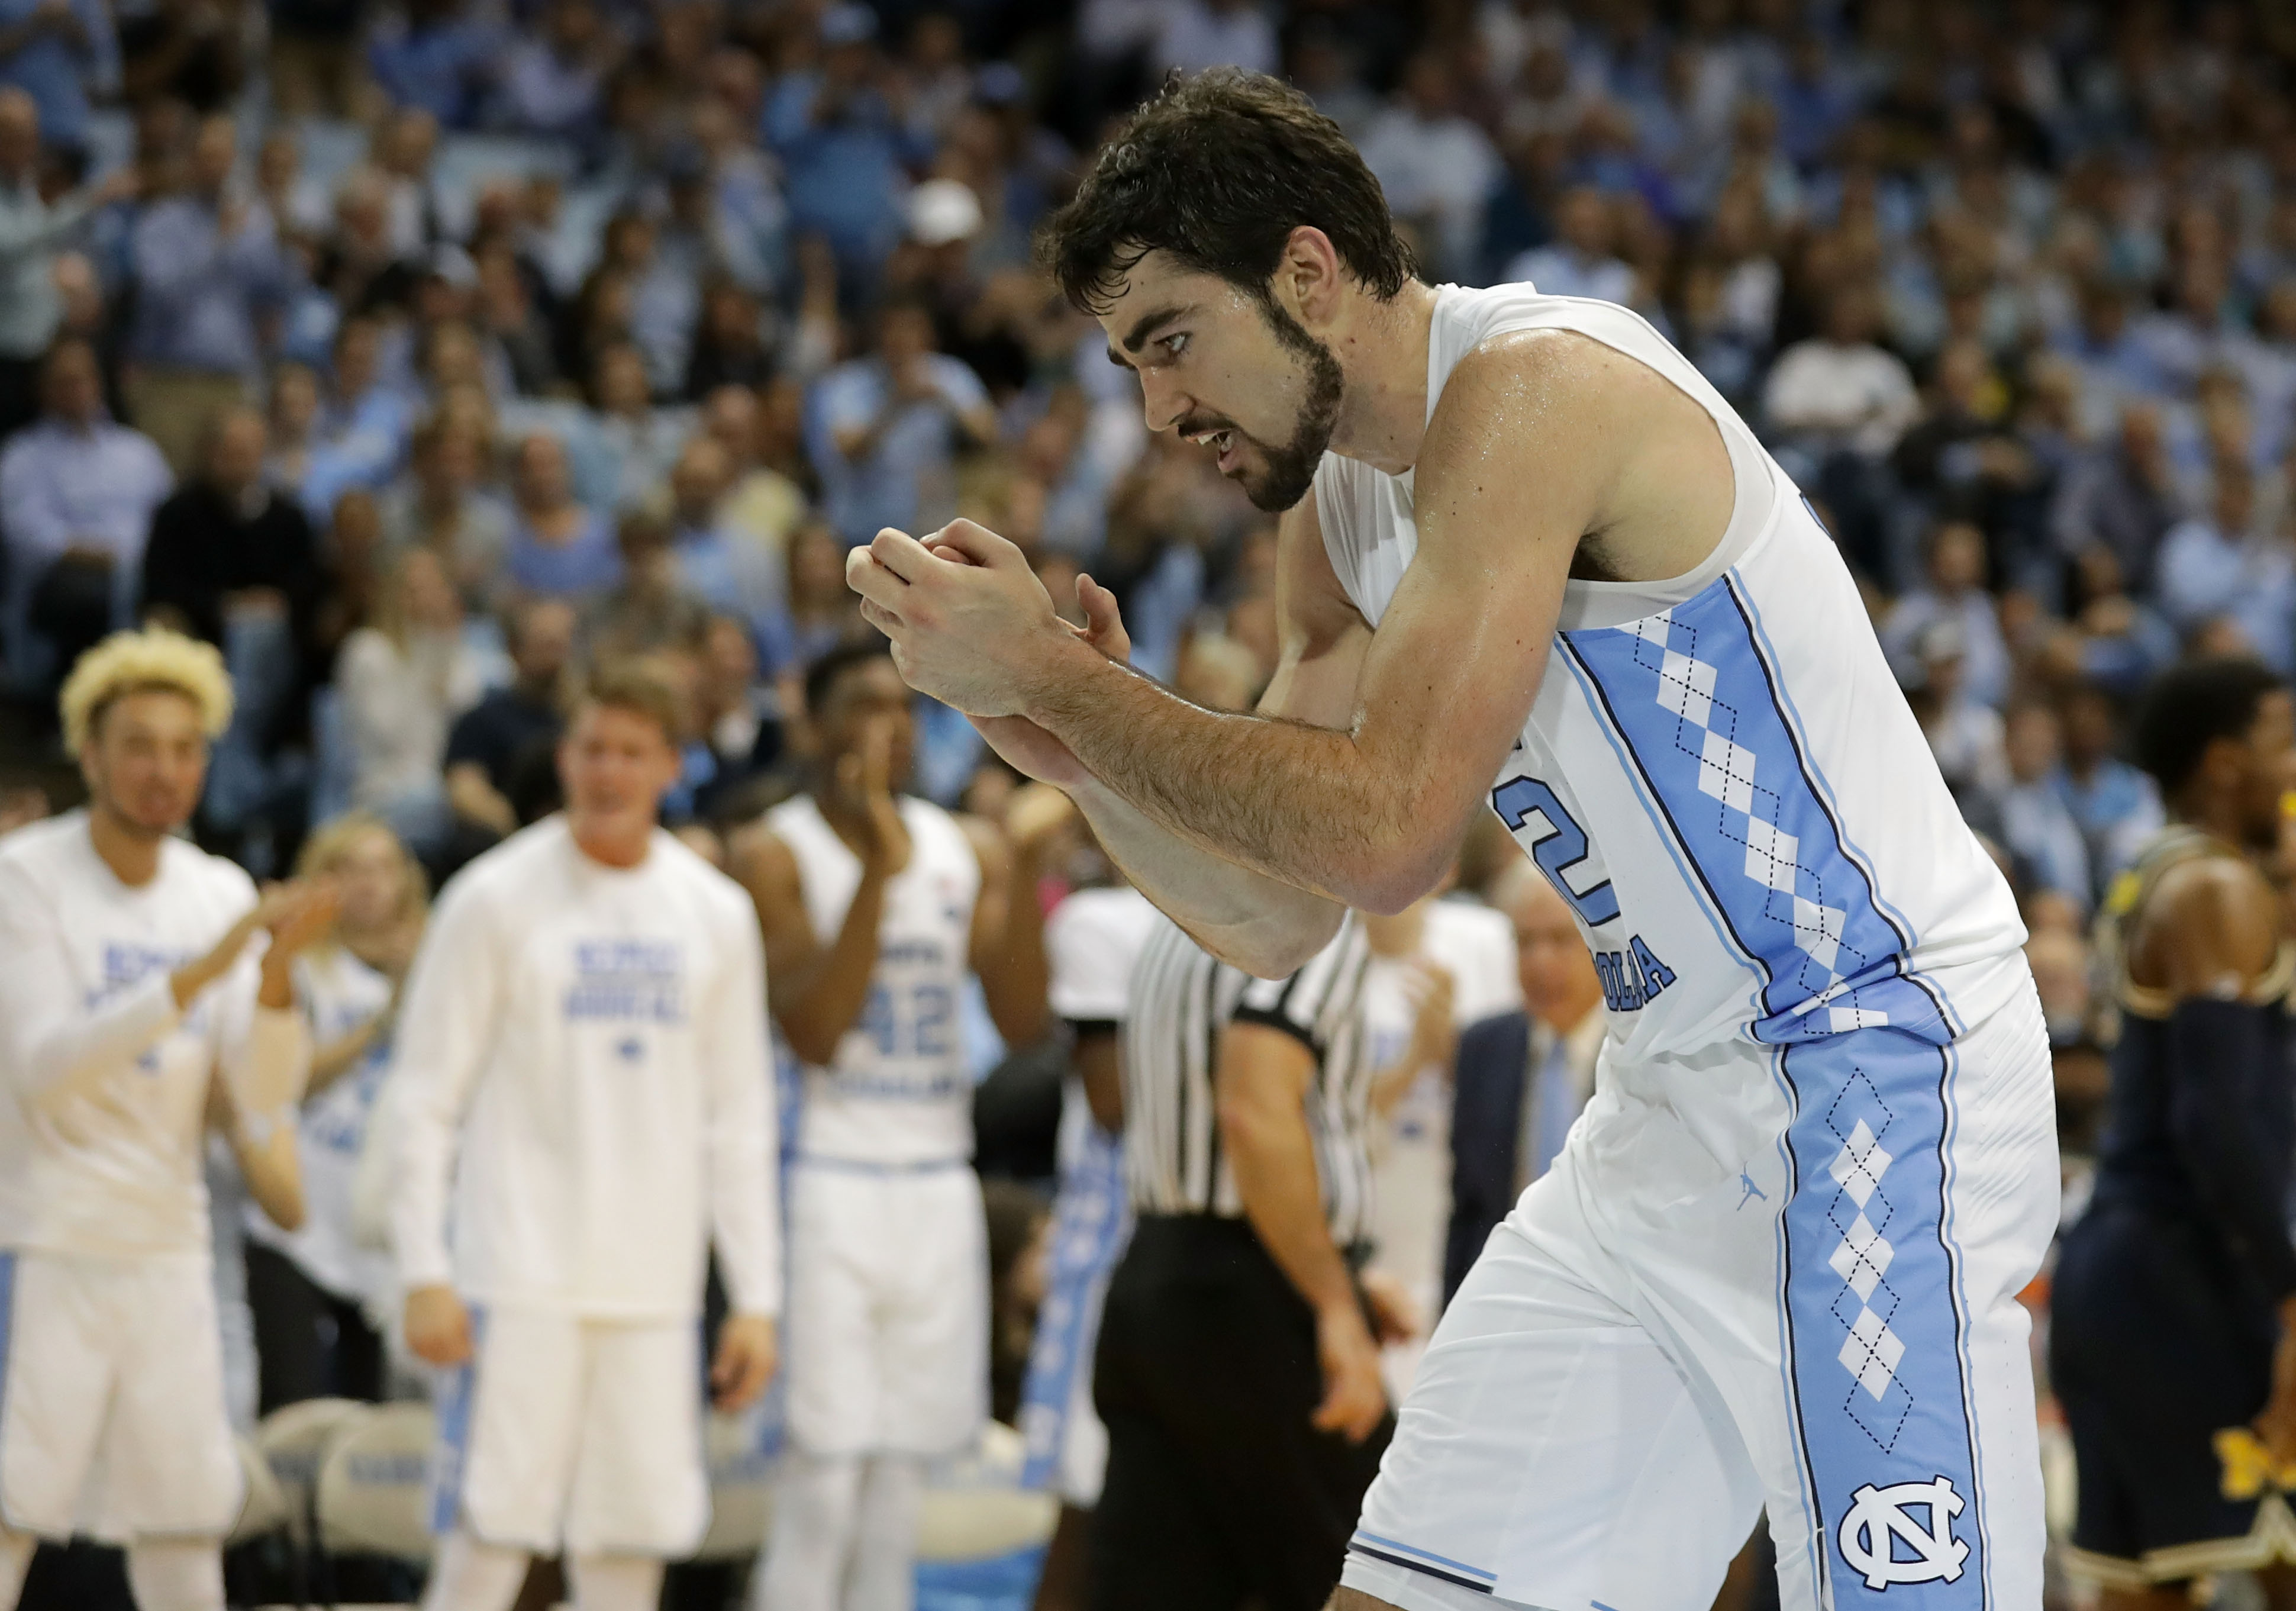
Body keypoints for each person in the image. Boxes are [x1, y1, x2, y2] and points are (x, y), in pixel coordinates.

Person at [850, 70, 2053, 1611]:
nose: (1159, 412)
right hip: (1673, 1103)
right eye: (1131, 369)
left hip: (1876, 1071)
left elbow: (1395, 834)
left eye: (1171, 342)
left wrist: (1069, 680)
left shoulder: (1540, 391)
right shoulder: (1334, 512)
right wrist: (1070, 749)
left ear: (1306, 273)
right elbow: (1281, 916)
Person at [388, 662, 782, 1611]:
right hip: (514, 1276)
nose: (609, 771)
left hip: (654, 1284)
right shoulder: (491, 897)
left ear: (670, 767)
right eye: (593, 749)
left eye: (632, 753)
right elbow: (421, 1094)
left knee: (629, 1543)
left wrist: (757, 1297)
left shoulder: (716, 912)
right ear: (565, 757)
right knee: (489, 1537)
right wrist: (420, 1267)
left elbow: (740, 1117)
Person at [0, 627, 333, 1611]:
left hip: (172, 1247)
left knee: (184, 1522)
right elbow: (42, 1068)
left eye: (187, 749)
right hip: (45, 1240)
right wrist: (196, 973)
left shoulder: (217, 889)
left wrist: (271, 978)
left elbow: (262, 1089)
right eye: (141, 744)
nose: (165, 769)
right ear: (91, 753)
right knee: (11, 1510)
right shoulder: (24, 877)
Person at [728, 640, 1056, 1611]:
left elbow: (1024, 1021)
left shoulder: (970, 848)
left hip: (939, 1178)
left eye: (904, 711)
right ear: (815, 729)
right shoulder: (777, 850)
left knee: (901, 1483)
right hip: (826, 1174)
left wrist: (1030, 868)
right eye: (865, 708)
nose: (889, 728)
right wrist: (877, 868)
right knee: (822, 1481)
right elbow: (819, 1033)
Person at [2050, 659, 2296, 1603]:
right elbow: (2217, 1119)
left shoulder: (2166, 867)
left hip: (2129, 1273)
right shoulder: (2217, 894)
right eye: (2284, 736)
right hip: (2186, 1272)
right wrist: (2291, 1293)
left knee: (2145, 1587)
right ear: (2228, 761)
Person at [1092, 907, 1393, 1611]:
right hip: (1251, 1295)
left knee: (1158, 1585)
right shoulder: (1308, 909)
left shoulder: (1180, 906)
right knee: (1373, 1574)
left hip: (1155, 1277)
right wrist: (1331, 1300)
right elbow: (1252, 1108)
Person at [1021, 832, 1162, 1611]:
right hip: (1111, 1243)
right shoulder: (1101, 920)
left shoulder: (1267, 918)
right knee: (1086, 1503)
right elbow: (1112, 1102)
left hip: (1204, 1242)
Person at [245, 812, 427, 1412]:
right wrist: (380, 1024)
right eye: (350, 869)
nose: (369, 884)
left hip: (379, 1234)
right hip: (296, 1229)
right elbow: (282, 1083)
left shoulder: (435, 966)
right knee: (294, 1413)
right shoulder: (297, 965)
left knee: (374, 1426)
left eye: (382, 868)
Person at [1444, 859, 1605, 1305]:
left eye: (1559, 940)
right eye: (1525, 942)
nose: (1539, 961)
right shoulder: (1484, 1047)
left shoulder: (1642, 1055)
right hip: (1507, 1302)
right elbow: (1468, 1212)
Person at [0, 337, 173, 697]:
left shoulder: (137, 451)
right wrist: (111, 559)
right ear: (43, 389)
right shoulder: (22, 456)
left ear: (100, 382)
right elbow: (30, 538)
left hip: (145, 572)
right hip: (67, 583)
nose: (77, 389)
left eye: (84, 378)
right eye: (64, 381)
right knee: (85, 593)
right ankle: (78, 698)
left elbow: (174, 521)